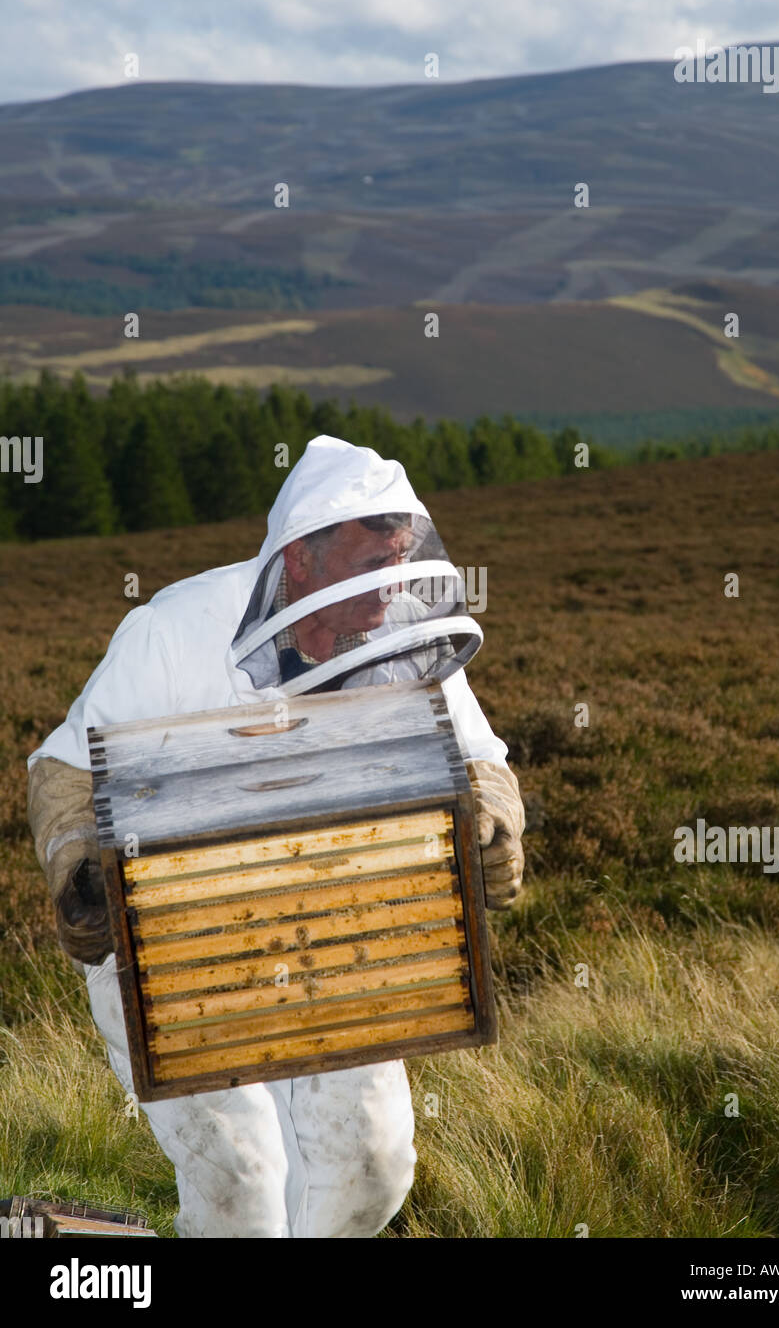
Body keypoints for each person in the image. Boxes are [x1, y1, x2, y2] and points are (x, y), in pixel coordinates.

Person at [26, 434, 525, 1238]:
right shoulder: (176, 629)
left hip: (336, 933)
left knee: (373, 1165)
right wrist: (76, 862)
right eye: (371, 566)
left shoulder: (398, 633)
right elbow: (64, 769)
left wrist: (497, 825)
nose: (388, 590)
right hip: (173, 938)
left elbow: (478, 761)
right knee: (245, 1180)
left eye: (400, 563)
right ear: (299, 560)